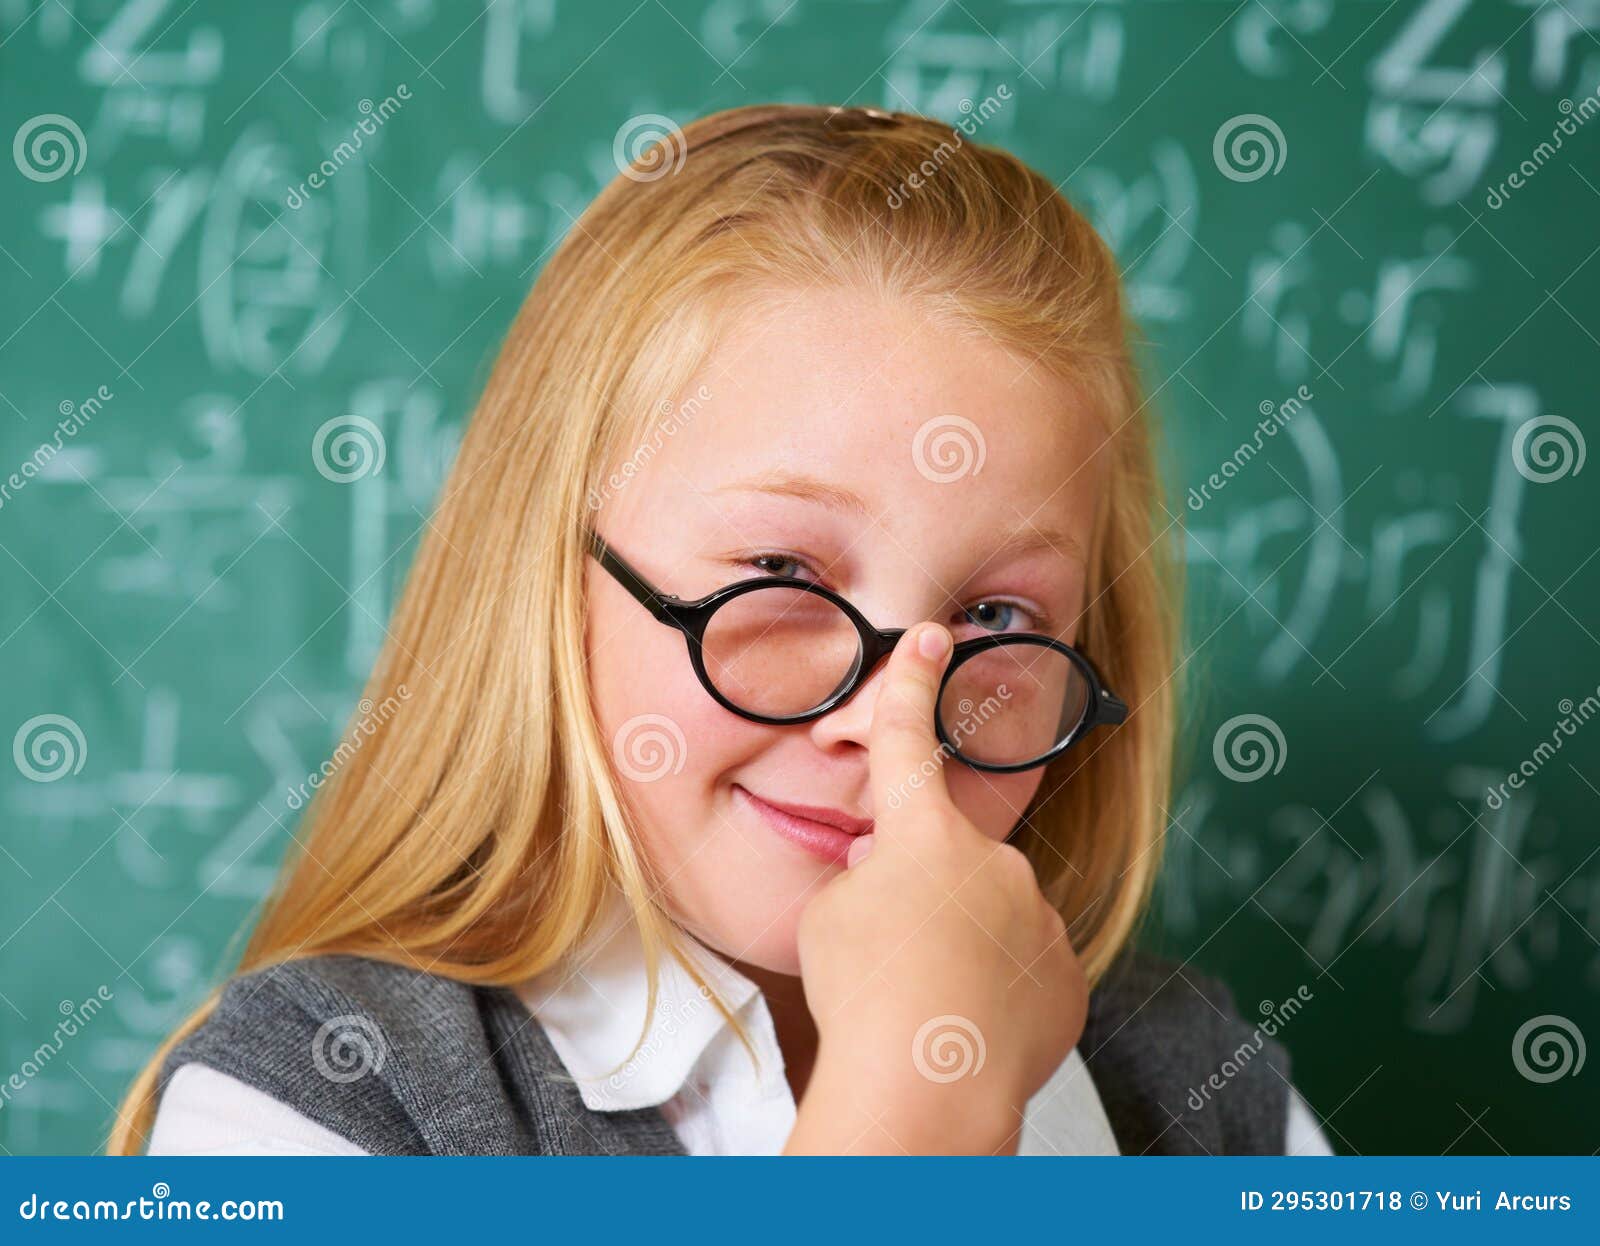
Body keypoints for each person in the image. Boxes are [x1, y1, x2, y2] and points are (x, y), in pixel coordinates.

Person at [113, 103, 1332, 1156]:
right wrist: (914, 1107)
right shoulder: (323, 1092)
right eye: (781, 569)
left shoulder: (1201, 1091)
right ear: (557, 576)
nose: (885, 726)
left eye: (994, 615)